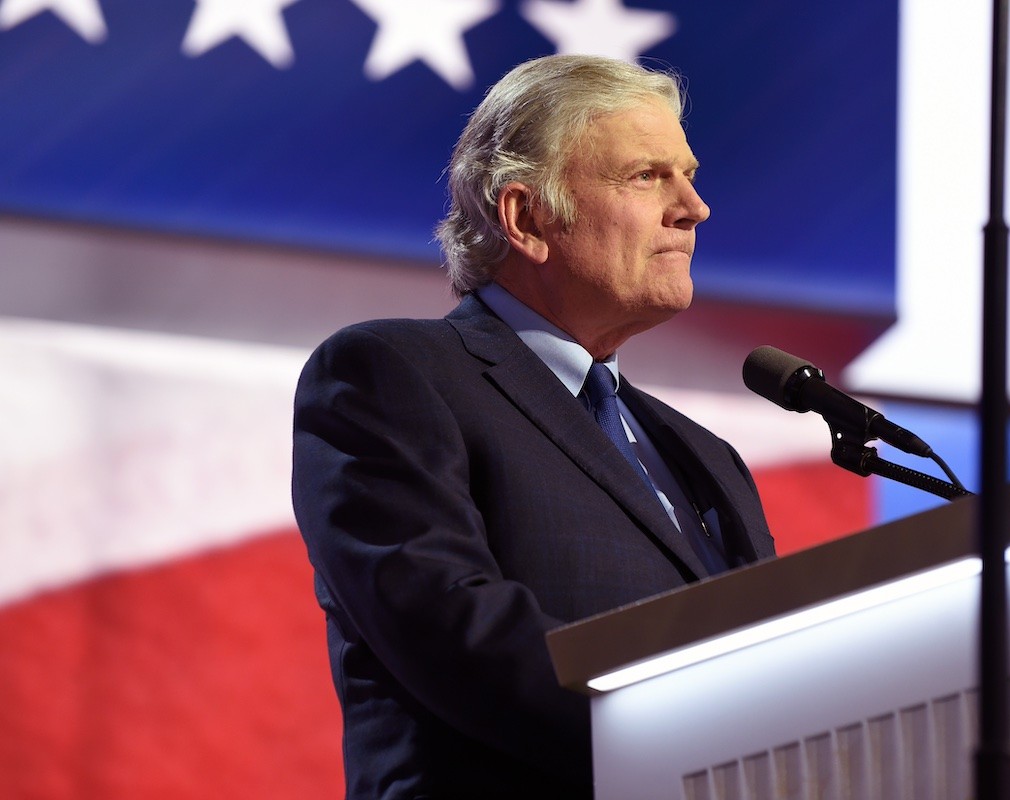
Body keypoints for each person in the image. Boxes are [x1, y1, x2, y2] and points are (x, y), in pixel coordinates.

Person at [291, 54, 775, 799]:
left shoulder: (708, 459)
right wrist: (694, 752)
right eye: (648, 176)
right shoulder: (392, 375)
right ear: (526, 217)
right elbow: (457, 629)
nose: (693, 207)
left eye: (689, 175)